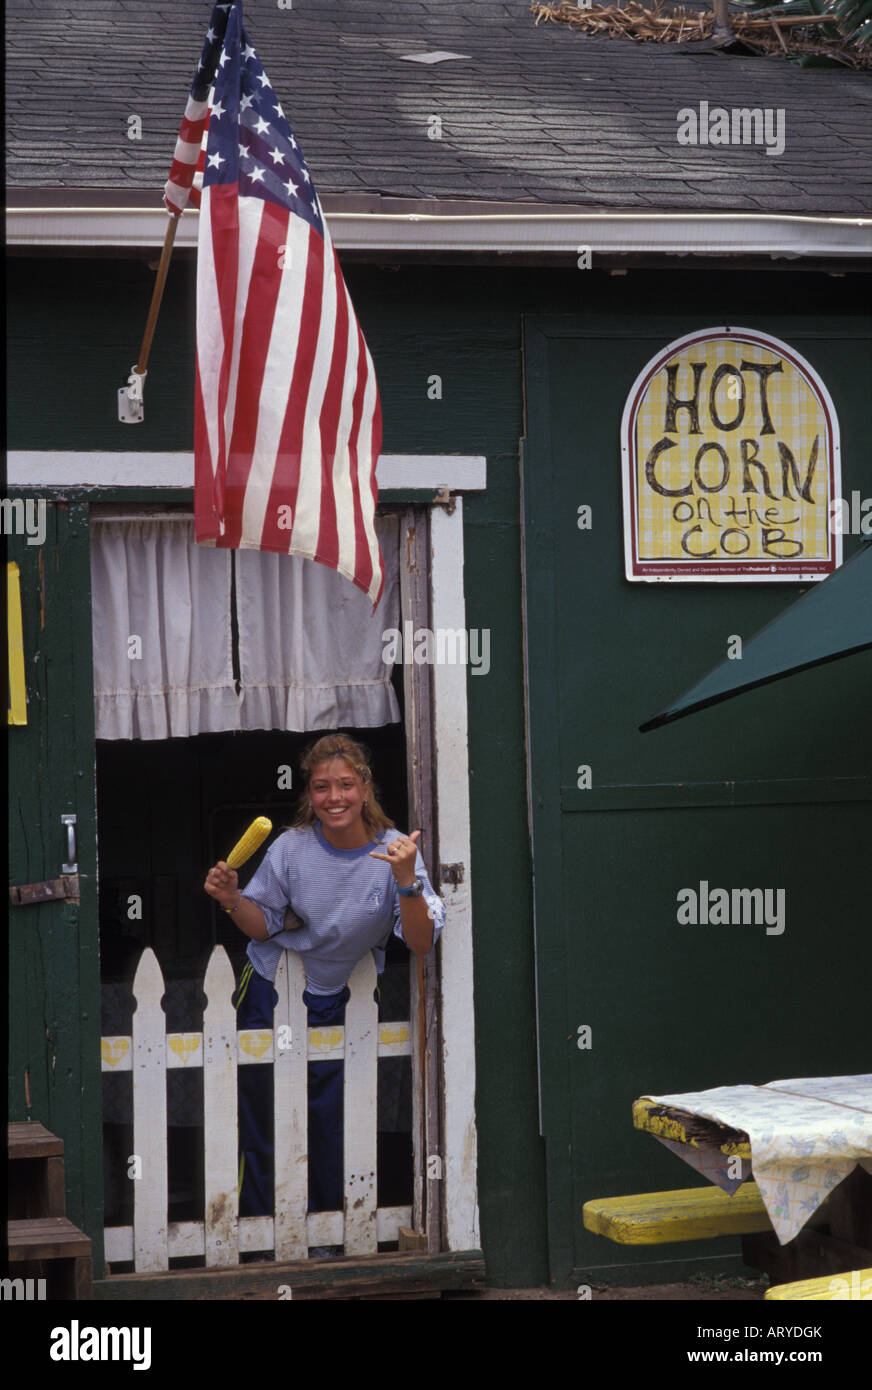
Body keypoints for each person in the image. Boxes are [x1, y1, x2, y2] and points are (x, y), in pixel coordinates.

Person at [203, 732, 445, 1244]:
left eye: (345, 785)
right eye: (320, 787)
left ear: (365, 788)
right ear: (308, 794)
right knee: (264, 1120)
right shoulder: (291, 849)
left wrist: (406, 879)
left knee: (332, 1123)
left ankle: (331, 1236)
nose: (334, 798)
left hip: (342, 999)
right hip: (273, 989)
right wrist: (230, 899)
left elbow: (421, 941)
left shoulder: (396, 850)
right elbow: (263, 924)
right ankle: (262, 1240)